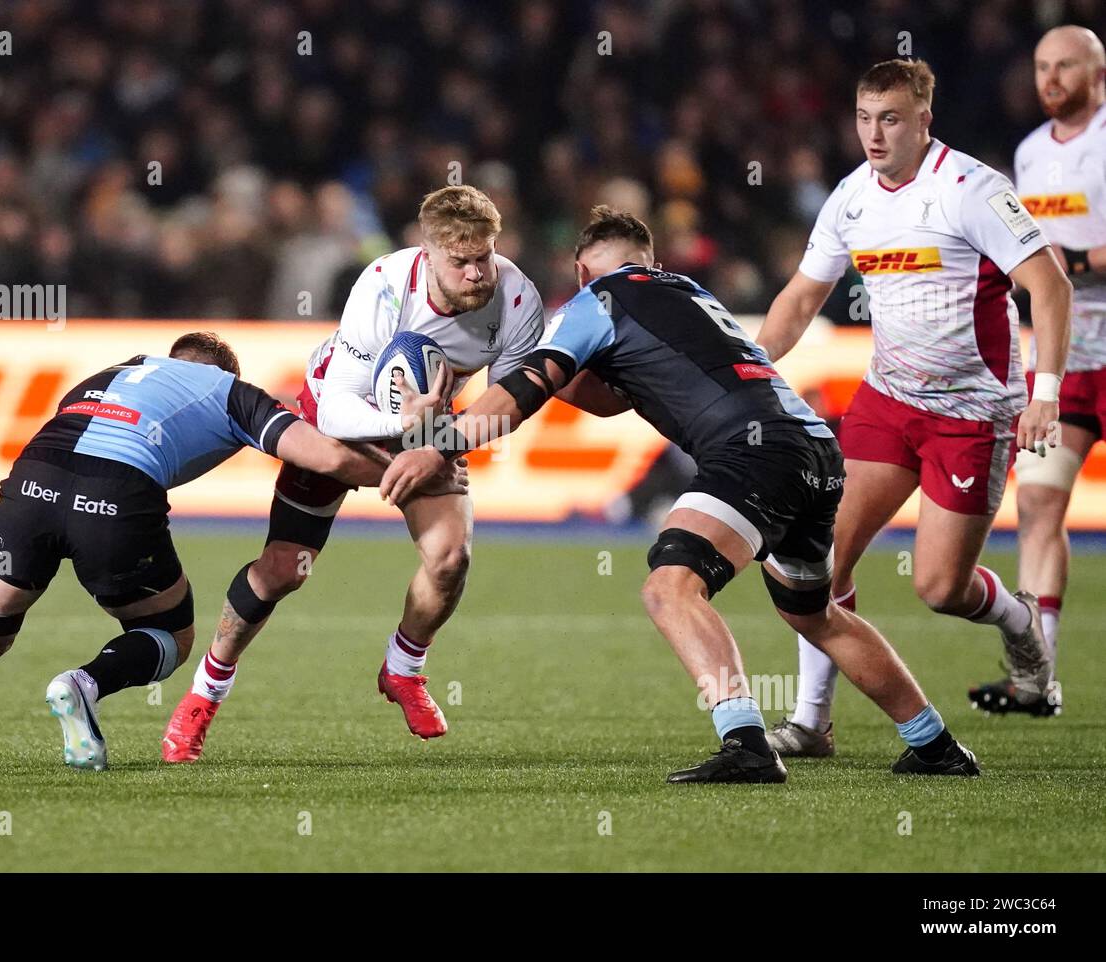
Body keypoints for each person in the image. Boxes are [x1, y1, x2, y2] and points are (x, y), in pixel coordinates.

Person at [381, 207, 981, 782]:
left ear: (583, 273)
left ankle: (745, 745)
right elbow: (614, 397)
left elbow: (524, 393)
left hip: (753, 454)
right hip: (816, 450)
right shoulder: (689, 294)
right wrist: (516, 373)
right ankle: (934, 743)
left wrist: (438, 439)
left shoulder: (599, 299)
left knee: (670, 588)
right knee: (815, 614)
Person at [0, 332, 463, 771]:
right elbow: (326, 457)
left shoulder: (110, 373)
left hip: (33, 479)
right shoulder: (229, 392)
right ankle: (83, 685)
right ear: (226, 370)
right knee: (169, 634)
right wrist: (416, 467)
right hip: (115, 495)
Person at [160, 186, 547, 761]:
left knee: (450, 557)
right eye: (459, 262)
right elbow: (340, 409)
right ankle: (202, 696)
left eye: (483, 258)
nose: (475, 274)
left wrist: (434, 444)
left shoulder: (516, 299)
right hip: (334, 414)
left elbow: (508, 406)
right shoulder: (386, 286)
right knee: (283, 570)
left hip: (426, 427)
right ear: (427, 252)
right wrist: (406, 429)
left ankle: (403, 669)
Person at [755, 59, 1071, 758]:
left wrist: (1044, 393)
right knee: (818, 562)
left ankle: (1019, 623)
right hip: (888, 401)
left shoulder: (972, 190)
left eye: (890, 119)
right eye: (865, 118)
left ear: (924, 119)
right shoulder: (850, 199)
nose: (874, 133)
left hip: (973, 413)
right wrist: (747, 366)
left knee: (938, 586)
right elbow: (801, 299)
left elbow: (1049, 289)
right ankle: (812, 723)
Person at [971, 26, 1106, 716]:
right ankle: (1038, 676)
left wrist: (1068, 266)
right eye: (1041, 67)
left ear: (1096, 70)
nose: (1050, 79)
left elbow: (1057, 261)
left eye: (1064, 67)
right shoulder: (1027, 153)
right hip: (1071, 356)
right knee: (1039, 503)